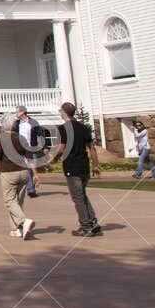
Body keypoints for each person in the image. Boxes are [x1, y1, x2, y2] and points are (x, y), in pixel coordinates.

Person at [56, 101, 101, 236]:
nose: (59, 112)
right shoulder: (84, 128)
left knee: (78, 198)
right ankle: (93, 222)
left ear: (64, 112)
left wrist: (53, 159)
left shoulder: (63, 128)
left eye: (60, 110)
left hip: (72, 167)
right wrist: (96, 164)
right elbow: (91, 148)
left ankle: (86, 227)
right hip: (84, 166)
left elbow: (62, 149)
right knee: (82, 195)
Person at [0, 124, 35, 241]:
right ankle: (16, 229)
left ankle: (23, 221)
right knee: (18, 201)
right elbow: (29, 156)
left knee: (9, 200)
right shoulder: (22, 137)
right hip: (24, 171)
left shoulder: (2, 138)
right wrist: (35, 174)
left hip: (9, 172)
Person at [15, 105, 41, 197]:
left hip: (32, 148)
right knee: (27, 169)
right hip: (22, 150)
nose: (16, 113)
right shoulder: (16, 123)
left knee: (32, 168)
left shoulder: (33, 122)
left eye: (17, 111)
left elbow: (40, 133)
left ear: (22, 112)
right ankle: (30, 190)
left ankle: (31, 187)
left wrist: (44, 146)